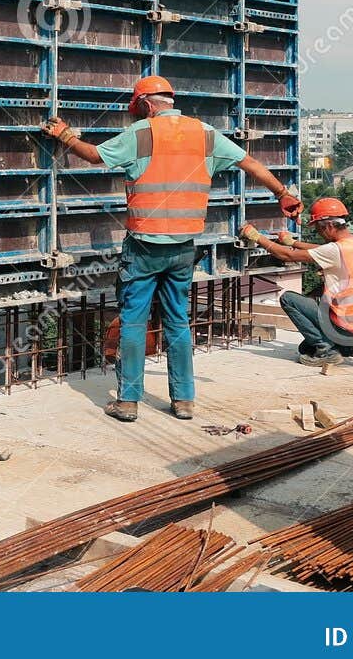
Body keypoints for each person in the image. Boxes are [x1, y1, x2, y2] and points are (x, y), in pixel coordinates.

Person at [43, 76, 304, 422]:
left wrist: (64, 135)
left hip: (144, 247)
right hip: (184, 246)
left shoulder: (142, 134)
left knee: (134, 322)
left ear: (147, 105)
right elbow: (251, 164)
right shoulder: (205, 133)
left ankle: (128, 401)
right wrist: (282, 194)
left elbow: (93, 156)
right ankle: (183, 401)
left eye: (138, 111)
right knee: (177, 323)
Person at [241, 197, 353, 368]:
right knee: (305, 348)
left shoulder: (334, 250)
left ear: (329, 226)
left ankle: (327, 351)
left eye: (319, 229)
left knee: (288, 299)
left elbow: (288, 256)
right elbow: (322, 251)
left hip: (344, 324)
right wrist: (293, 242)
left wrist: (257, 237)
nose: (319, 233)